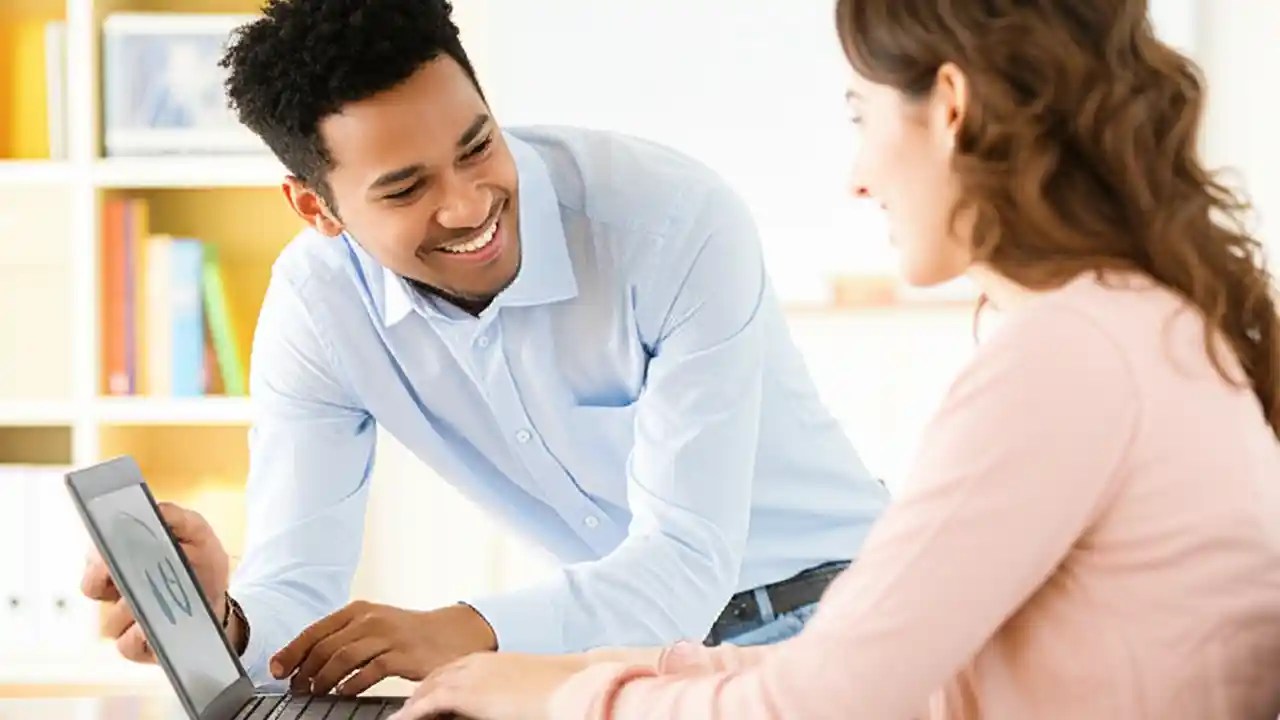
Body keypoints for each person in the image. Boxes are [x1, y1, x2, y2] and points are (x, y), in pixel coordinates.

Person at [386, 0, 1280, 718]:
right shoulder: (1143, 329)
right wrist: (585, 671)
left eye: (863, 116)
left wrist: (560, 698)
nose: (857, 174)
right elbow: (870, 673)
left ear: (952, 108)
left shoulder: (1070, 359)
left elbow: (822, 701)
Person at [79, 0, 892, 698]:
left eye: (477, 146)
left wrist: (463, 631)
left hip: (839, 627)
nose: (469, 206)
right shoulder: (319, 310)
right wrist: (226, 617)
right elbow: (296, 588)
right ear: (315, 208)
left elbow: (684, 561)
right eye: (405, 187)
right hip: (625, 664)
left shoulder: (671, 224)